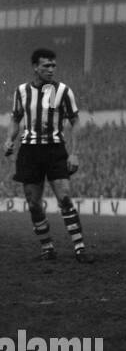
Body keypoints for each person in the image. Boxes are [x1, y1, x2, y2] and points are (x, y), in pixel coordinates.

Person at [4, 48, 94, 262]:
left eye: (53, 65)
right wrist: (9, 139)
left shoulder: (62, 91)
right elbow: (16, 119)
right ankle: (47, 248)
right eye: (46, 65)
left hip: (54, 149)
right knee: (33, 202)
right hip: (29, 151)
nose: (51, 69)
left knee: (64, 197)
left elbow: (75, 122)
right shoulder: (21, 92)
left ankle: (80, 248)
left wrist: (75, 153)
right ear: (35, 67)